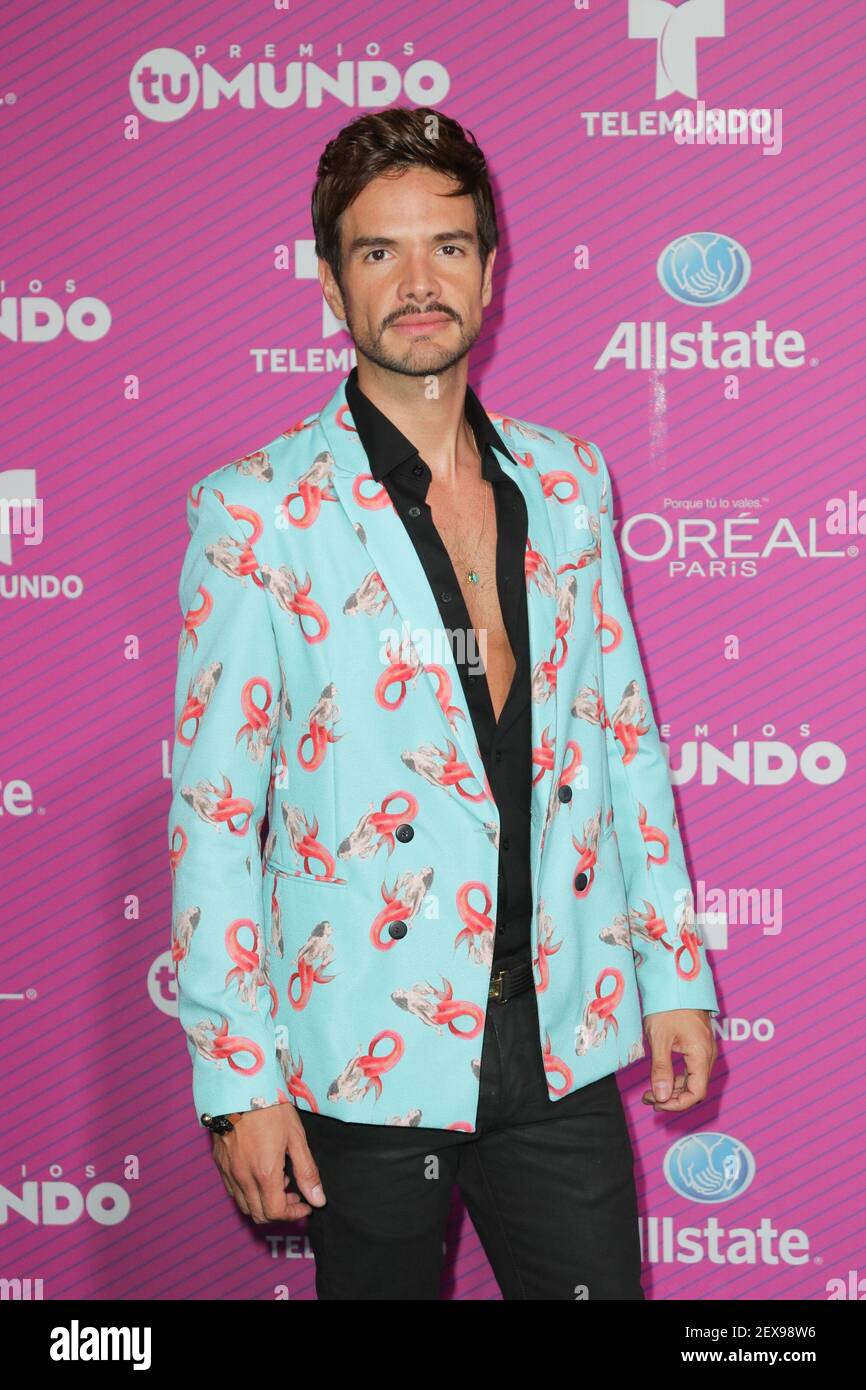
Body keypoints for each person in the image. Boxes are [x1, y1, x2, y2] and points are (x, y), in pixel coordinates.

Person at [167, 105, 720, 1300]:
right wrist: (238, 1080)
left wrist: (672, 973)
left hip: (558, 1037)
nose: (419, 283)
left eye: (448, 246)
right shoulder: (256, 510)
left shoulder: (567, 480)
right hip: (362, 1049)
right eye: (379, 252)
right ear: (329, 282)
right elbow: (214, 814)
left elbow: (623, 738)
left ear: (488, 266)